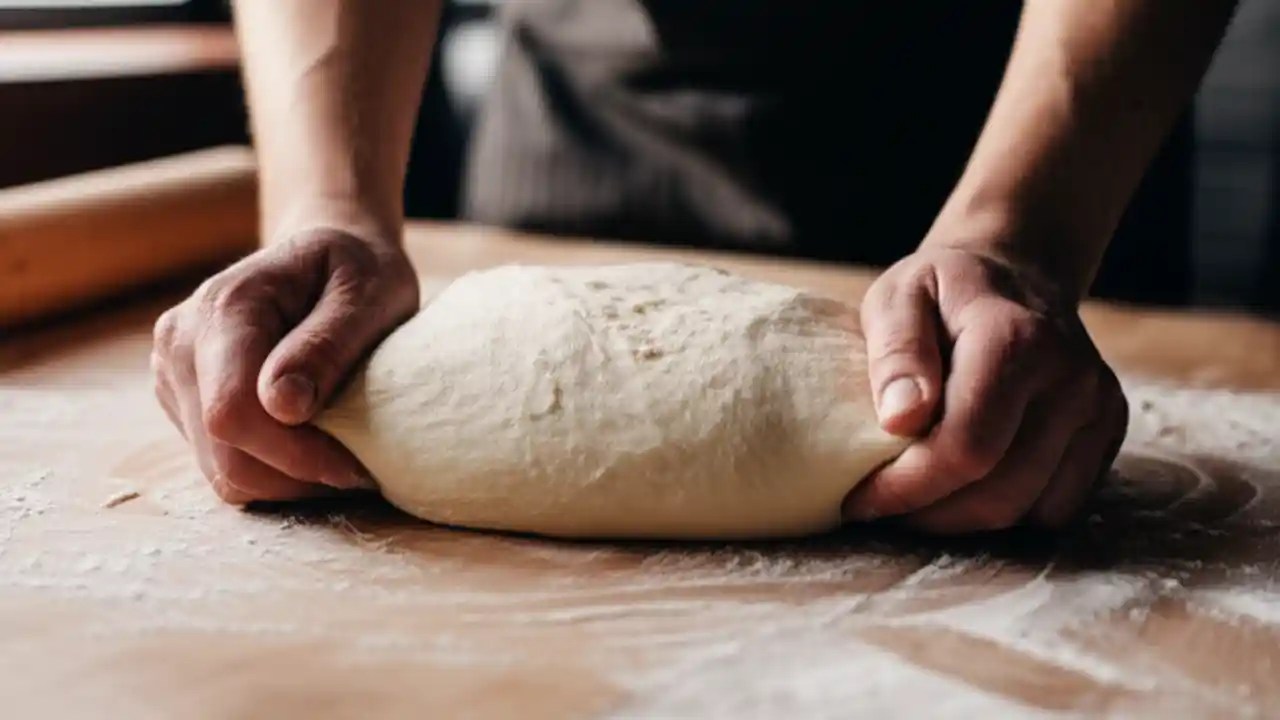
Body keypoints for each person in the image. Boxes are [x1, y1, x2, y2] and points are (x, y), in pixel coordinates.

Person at [151, 1, 1238, 534]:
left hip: (1015, 111)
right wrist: (324, 203)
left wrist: (1020, 231)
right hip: (587, 113)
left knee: (1001, 416)